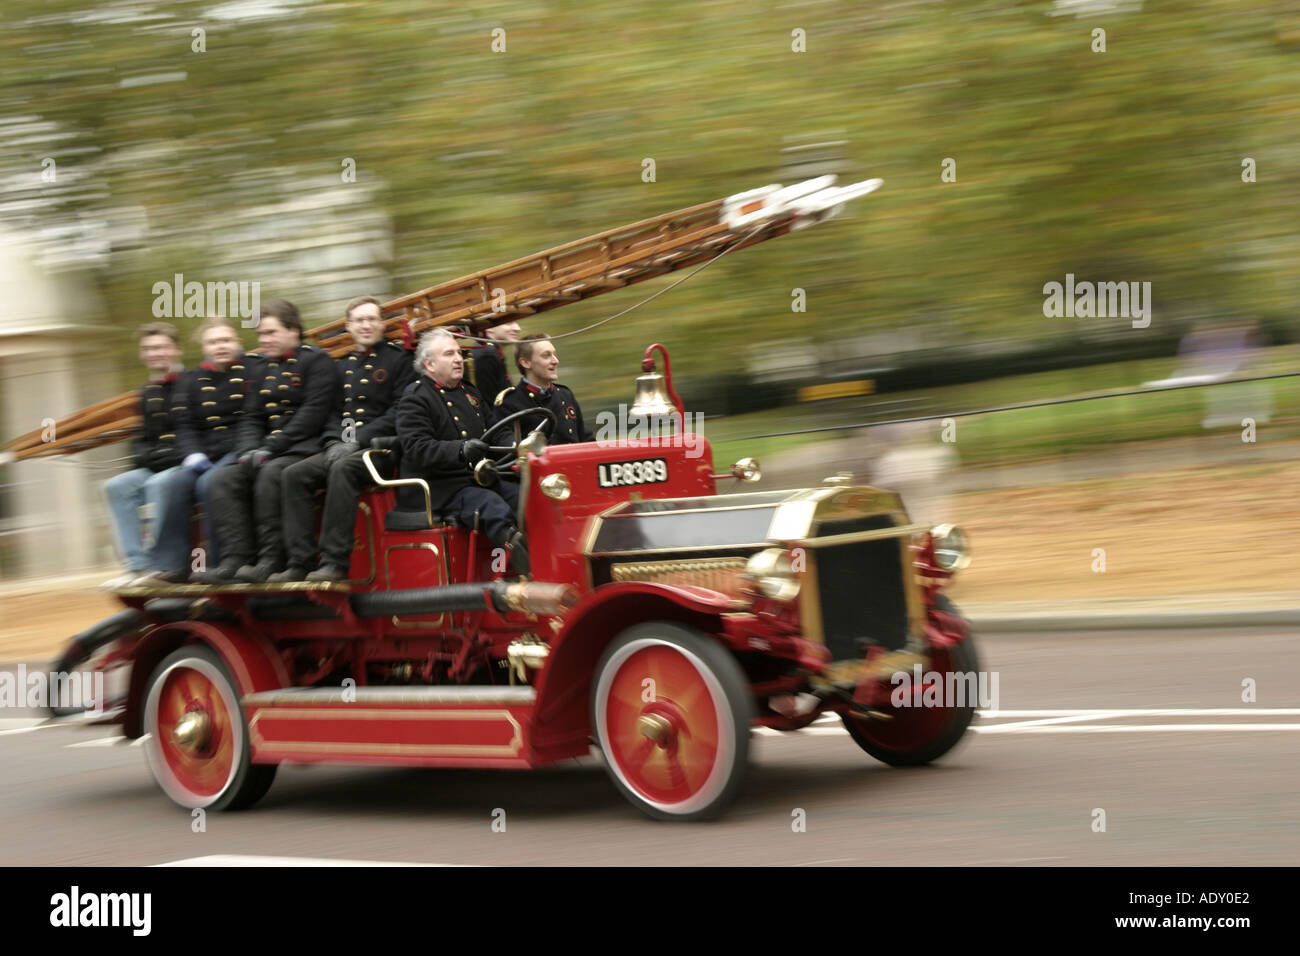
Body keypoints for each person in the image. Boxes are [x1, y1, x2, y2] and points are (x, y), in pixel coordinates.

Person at [194, 300, 340, 583]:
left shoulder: (317, 361)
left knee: (271, 472)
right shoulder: (262, 369)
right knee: (223, 479)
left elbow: (312, 414)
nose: (264, 340)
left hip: (305, 447)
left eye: (271, 333)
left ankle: (273, 559)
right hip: (270, 449)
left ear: (293, 331)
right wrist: (248, 449)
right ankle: (235, 558)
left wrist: (270, 448)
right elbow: (252, 416)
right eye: (261, 334)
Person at [274, 296, 415, 582]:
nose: (366, 325)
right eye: (359, 320)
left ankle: (334, 562)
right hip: (343, 446)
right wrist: (334, 441)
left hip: (382, 449)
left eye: (372, 319)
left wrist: (357, 440)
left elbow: (400, 410)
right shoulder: (341, 367)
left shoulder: (400, 360)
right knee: (293, 474)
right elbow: (334, 412)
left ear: (381, 324)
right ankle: (299, 562)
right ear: (348, 327)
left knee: (343, 468)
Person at [395, 328, 527, 573]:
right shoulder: (415, 398)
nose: (458, 358)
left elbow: (495, 430)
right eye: (449, 354)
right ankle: (523, 575)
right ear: (430, 364)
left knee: (526, 498)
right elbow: (417, 448)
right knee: (492, 507)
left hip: (476, 480)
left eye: (458, 352)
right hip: (440, 488)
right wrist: (461, 450)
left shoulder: (470, 393)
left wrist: (517, 446)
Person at [101, 323, 192, 587]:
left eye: (162, 347)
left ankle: (161, 566)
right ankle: (136, 566)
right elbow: (143, 439)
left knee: (158, 483)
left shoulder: (194, 383)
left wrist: (169, 457)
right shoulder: (147, 392)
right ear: (143, 354)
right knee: (115, 486)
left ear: (176, 349)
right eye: (149, 348)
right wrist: (146, 457)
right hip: (156, 464)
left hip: (186, 464)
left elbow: (199, 432)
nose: (155, 353)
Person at [166, 316, 258, 574]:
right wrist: (192, 454)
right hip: (206, 453)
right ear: (204, 347)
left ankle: (217, 563)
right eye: (214, 342)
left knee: (210, 484)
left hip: (239, 450)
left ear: (238, 342)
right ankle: (172, 565)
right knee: (177, 482)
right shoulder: (192, 380)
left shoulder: (253, 371)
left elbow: (254, 418)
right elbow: (184, 424)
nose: (221, 346)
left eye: (226, 340)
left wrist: (242, 450)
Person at [496, 333, 595, 444]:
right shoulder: (510, 403)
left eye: (554, 354)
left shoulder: (565, 395)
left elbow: (586, 439)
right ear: (525, 362)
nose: (555, 361)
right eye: (546, 355)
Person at [465, 318, 520, 407]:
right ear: (489, 328)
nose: (517, 328)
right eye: (509, 323)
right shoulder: (487, 354)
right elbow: (491, 403)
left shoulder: (489, 350)